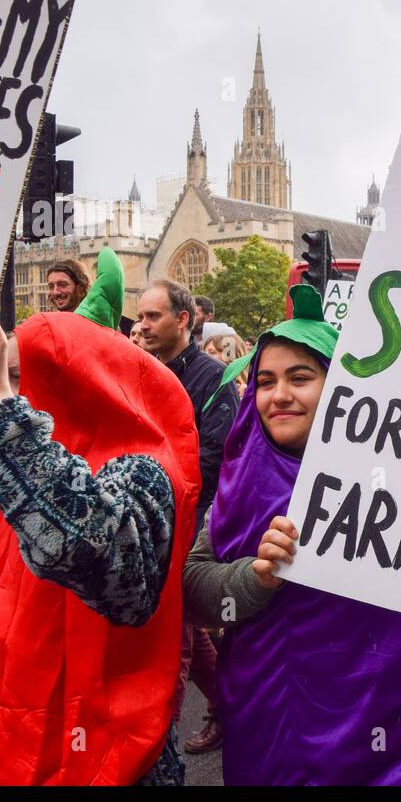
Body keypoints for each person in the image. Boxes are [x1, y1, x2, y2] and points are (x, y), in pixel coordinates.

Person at [0, 249, 201, 784]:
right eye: (10, 384)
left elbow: (89, 552)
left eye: (26, 380)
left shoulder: (143, 468)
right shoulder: (6, 453)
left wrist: (3, 413)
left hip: (104, 753)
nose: (18, 398)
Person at [182, 283, 401, 784]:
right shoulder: (240, 481)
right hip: (273, 730)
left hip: (395, 737)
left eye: (301, 377)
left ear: (340, 388)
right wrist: (256, 578)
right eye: (265, 381)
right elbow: (195, 592)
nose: (280, 395)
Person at [136, 279, 238, 755]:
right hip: (153, 526)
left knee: (173, 639)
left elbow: (217, 461)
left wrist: (196, 537)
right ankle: (231, 710)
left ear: (184, 320)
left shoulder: (212, 379)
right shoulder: (143, 371)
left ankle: (155, 748)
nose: (142, 325)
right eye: (140, 317)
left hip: (190, 528)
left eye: (153, 316)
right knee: (187, 632)